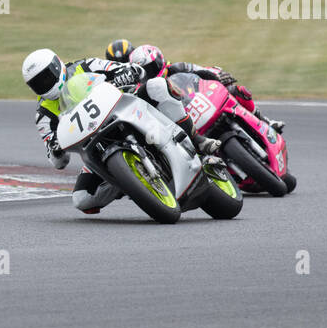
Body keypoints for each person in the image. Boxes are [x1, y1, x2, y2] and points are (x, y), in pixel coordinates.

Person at [21, 48, 222, 214]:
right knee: (81, 199)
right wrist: (55, 149)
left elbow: (125, 69)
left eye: (46, 77)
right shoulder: (43, 114)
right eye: (37, 83)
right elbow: (57, 161)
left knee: (157, 86)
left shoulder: (85, 66)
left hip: (125, 109)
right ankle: (130, 183)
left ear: (57, 67)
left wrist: (128, 72)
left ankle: (197, 139)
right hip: (95, 145)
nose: (44, 85)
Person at [122, 42, 285, 132]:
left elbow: (200, 70)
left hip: (202, 99)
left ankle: (265, 121)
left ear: (158, 60)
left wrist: (218, 75)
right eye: (145, 70)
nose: (149, 72)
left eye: (151, 67)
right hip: (183, 116)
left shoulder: (176, 67)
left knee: (238, 91)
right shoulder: (149, 88)